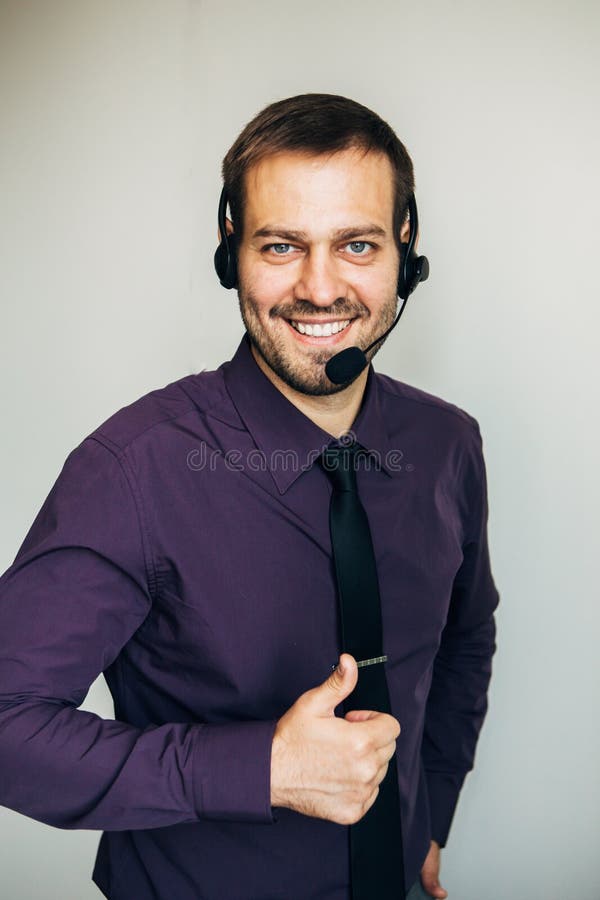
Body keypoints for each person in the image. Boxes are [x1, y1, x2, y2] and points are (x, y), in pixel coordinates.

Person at [0, 93, 499, 900]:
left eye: (358, 244)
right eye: (281, 246)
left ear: (406, 252)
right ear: (229, 252)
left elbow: (464, 637)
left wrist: (427, 821)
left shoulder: (447, 444)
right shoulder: (132, 470)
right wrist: (258, 767)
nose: (320, 287)